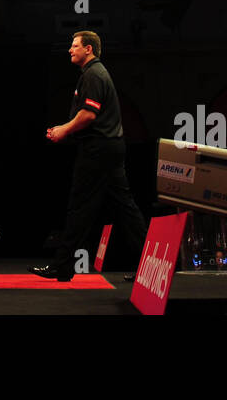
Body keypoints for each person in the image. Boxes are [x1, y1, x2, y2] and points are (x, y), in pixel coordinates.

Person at [31, 30, 147, 282]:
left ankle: (62, 266)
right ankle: (147, 267)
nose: (70, 50)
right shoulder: (94, 73)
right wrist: (65, 128)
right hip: (107, 147)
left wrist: (63, 130)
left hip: (99, 149)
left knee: (80, 206)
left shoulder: (94, 74)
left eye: (74, 46)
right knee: (124, 208)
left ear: (88, 49)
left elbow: (88, 115)